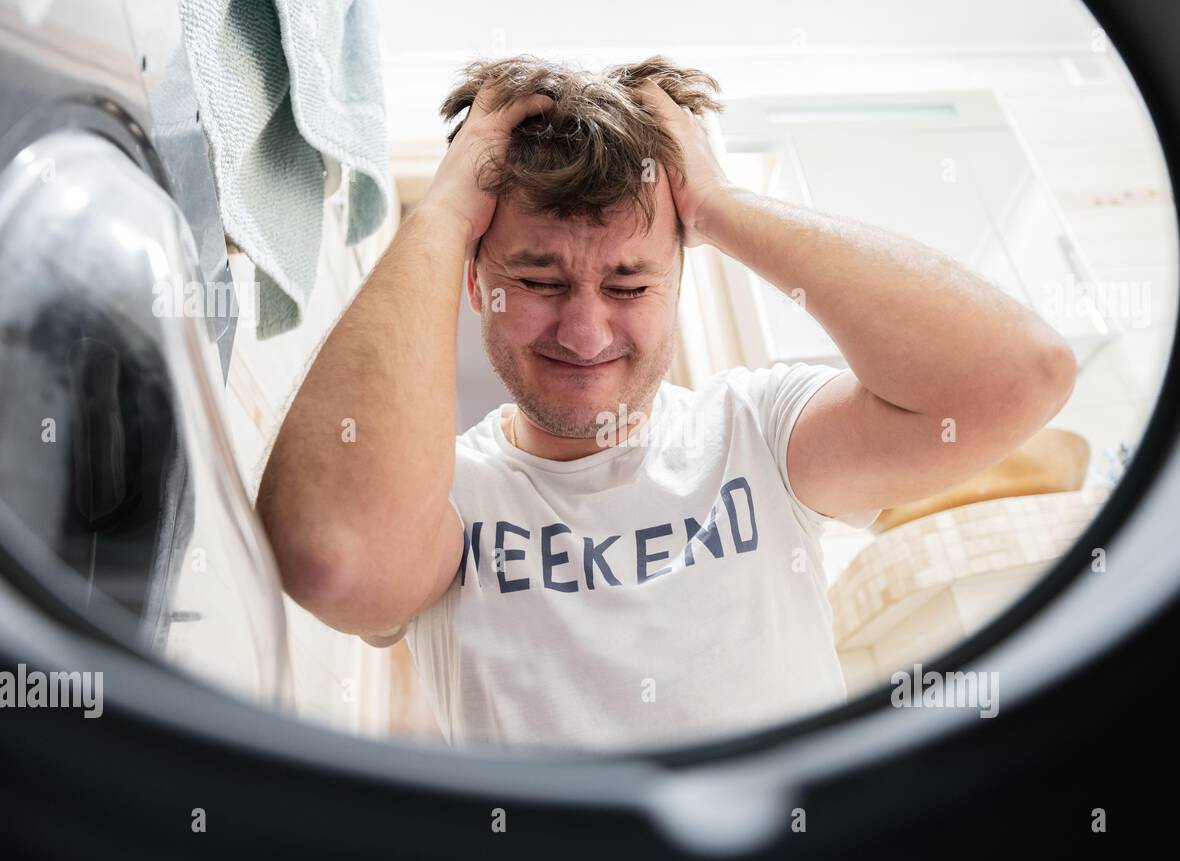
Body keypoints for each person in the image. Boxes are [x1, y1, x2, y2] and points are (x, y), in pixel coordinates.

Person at [255, 54, 1077, 752]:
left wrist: (719, 206)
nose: (584, 331)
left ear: (680, 278)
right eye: (538, 281)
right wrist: (440, 213)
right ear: (478, 283)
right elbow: (338, 560)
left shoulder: (758, 431)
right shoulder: (445, 496)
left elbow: (1023, 375)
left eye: (630, 282)